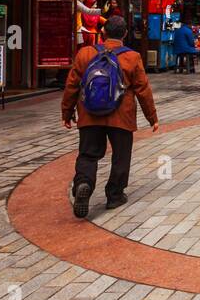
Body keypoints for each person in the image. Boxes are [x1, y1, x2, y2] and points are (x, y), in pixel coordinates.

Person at [62, 15, 158, 216]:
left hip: (89, 113)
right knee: (121, 155)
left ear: (103, 33)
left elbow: (72, 85)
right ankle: (115, 195)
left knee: (88, 154)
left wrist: (67, 112)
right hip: (121, 115)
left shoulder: (85, 53)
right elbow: (143, 89)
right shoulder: (132, 57)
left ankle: (84, 183)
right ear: (124, 34)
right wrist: (152, 118)